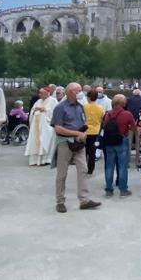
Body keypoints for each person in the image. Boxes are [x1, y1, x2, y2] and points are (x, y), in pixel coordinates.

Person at [51, 83, 101, 211]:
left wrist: (83, 134)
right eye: (78, 90)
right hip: (65, 143)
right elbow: (58, 128)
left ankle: (84, 200)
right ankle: (60, 201)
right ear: (70, 92)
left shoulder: (80, 107)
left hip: (79, 143)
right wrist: (76, 133)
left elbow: (83, 123)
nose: (81, 93)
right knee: (62, 173)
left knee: (83, 170)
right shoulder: (60, 108)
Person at [102, 94, 135, 197]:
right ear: (123, 103)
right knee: (122, 166)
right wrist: (128, 127)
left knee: (109, 166)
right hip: (122, 140)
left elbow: (104, 126)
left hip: (109, 142)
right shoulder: (127, 114)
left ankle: (108, 190)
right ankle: (123, 190)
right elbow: (134, 127)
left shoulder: (107, 114)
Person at [24, 87, 56, 167]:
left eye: (41, 93)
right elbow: (32, 110)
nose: (39, 94)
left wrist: (44, 109)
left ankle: (46, 159)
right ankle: (35, 160)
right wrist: (35, 110)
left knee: (45, 141)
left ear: (47, 93)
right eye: (39, 93)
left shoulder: (53, 101)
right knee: (36, 141)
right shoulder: (38, 101)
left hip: (46, 126)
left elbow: (54, 112)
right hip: (36, 125)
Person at [83, 89, 106, 177]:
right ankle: (90, 170)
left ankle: (83, 168)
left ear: (88, 97)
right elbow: (103, 119)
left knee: (84, 152)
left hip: (85, 131)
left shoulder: (84, 107)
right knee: (92, 152)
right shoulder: (100, 108)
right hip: (96, 131)